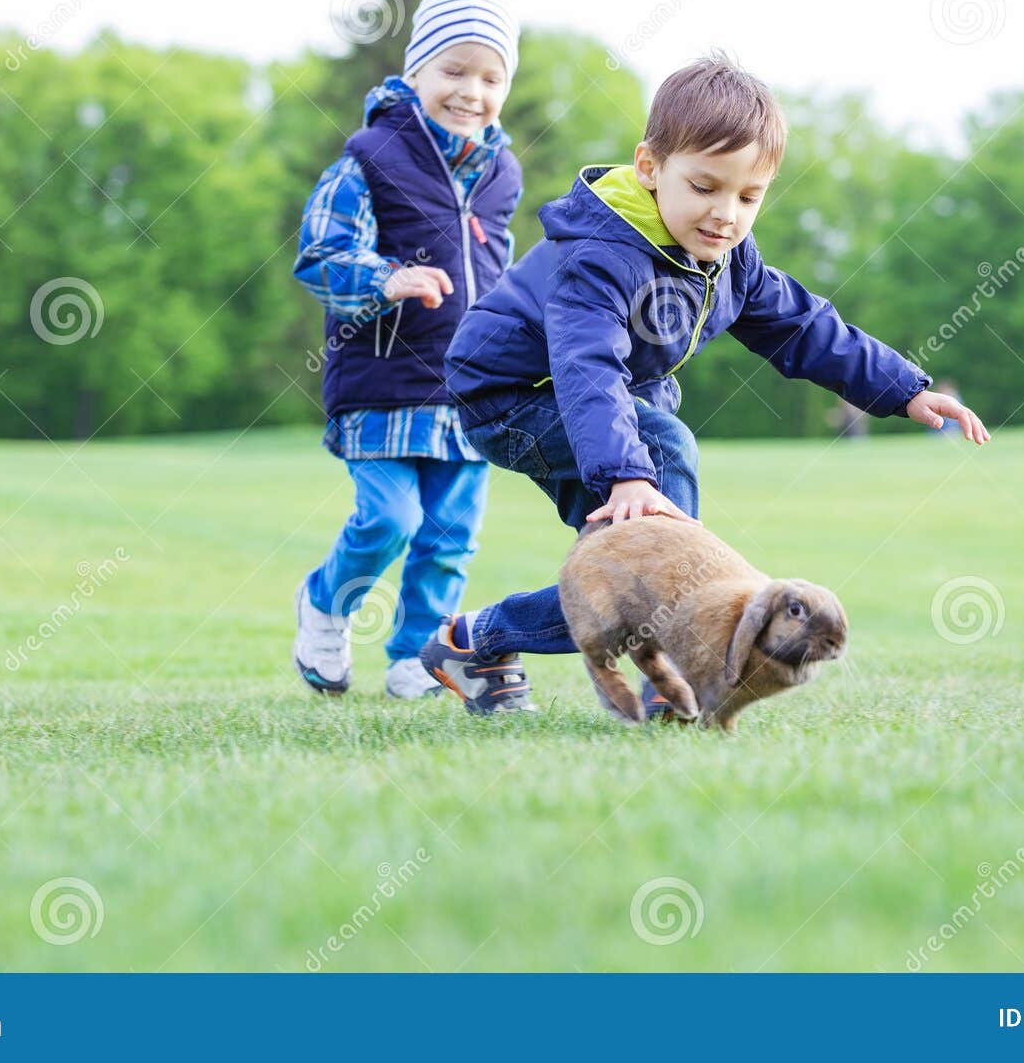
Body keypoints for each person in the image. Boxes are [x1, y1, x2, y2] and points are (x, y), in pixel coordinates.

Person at [421, 53, 988, 715]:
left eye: (748, 197)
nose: (725, 213)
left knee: (627, 577)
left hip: (611, 400)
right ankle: (673, 682)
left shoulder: (728, 260)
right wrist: (626, 473)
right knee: (666, 465)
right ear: (650, 167)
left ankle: (476, 640)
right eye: (705, 186)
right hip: (511, 395)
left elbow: (804, 326)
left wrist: (903, 387)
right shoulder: (600, 252)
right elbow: (586, 366)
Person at [292, 0, 522, 699]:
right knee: (391, 517)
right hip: (382, 386)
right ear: (416, 71)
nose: (471, 92)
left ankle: (415, 655)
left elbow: (499, 271)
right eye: (453, 70)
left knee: (450, 535)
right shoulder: (369, 158)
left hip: (469, 392)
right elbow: (320, 255)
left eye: (491, 78)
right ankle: (326, 605)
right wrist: (387, 279)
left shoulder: (500, 172)